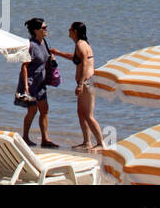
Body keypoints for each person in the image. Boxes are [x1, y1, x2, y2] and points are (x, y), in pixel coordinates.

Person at [50, 22, 104, 149]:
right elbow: (75, 58)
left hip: (87, 83)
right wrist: (57, 53)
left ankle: (101, 143)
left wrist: (80, 84)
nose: (68, 31)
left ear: (75, 31)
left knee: (88, 115)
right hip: (85, 82)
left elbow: (85, 64)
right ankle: (87, 142)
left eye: (70, 29)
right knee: (81, 112)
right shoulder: (79, 45)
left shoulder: (81, 45)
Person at [15, 17, 57, 147]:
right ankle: (25, 137)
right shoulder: (31, 46)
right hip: (31, 83)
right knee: (32, 110)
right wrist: (26, 86)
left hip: (41, 83)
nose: (46, 29)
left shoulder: (44, 42)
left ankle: (45, 139)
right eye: (44, 28)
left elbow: (46, 59)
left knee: (44, 109)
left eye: (46, 27)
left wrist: (52, 58)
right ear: (36, 30)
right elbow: (24, 66)